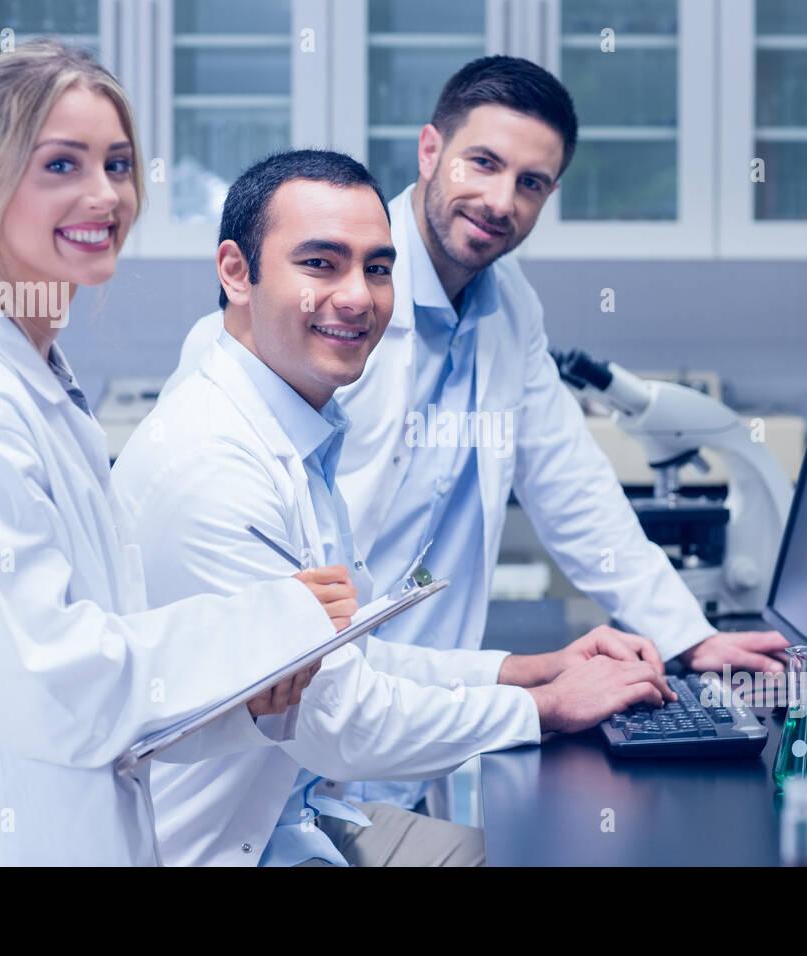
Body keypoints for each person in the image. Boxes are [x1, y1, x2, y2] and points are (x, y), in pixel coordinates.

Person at [164, 56, 791, 815]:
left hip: (420, 713)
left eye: (531, 183)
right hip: (298, 745)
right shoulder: (311, 316)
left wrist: (688, 640)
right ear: (430, 151)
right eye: (483, 162)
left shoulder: (508, 306)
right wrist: (542, 698)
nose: (500, 201)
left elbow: (571, 485)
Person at [111, 149, 674, 866]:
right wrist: (548, 708)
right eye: (321, 264)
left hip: (302, 818)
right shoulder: (217, 471)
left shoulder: (295, 432)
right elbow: (340, 723)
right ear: (235, 271)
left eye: (378, 268)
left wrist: (528, 670)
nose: (358, 296)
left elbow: (349, 667)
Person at [0, 40, 341, 866]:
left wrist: (247, 700)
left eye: (117, 164)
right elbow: (55, 689)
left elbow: (103, 693)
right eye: (61, 165)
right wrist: (271, 619)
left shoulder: (33, 378)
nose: (103, 193)